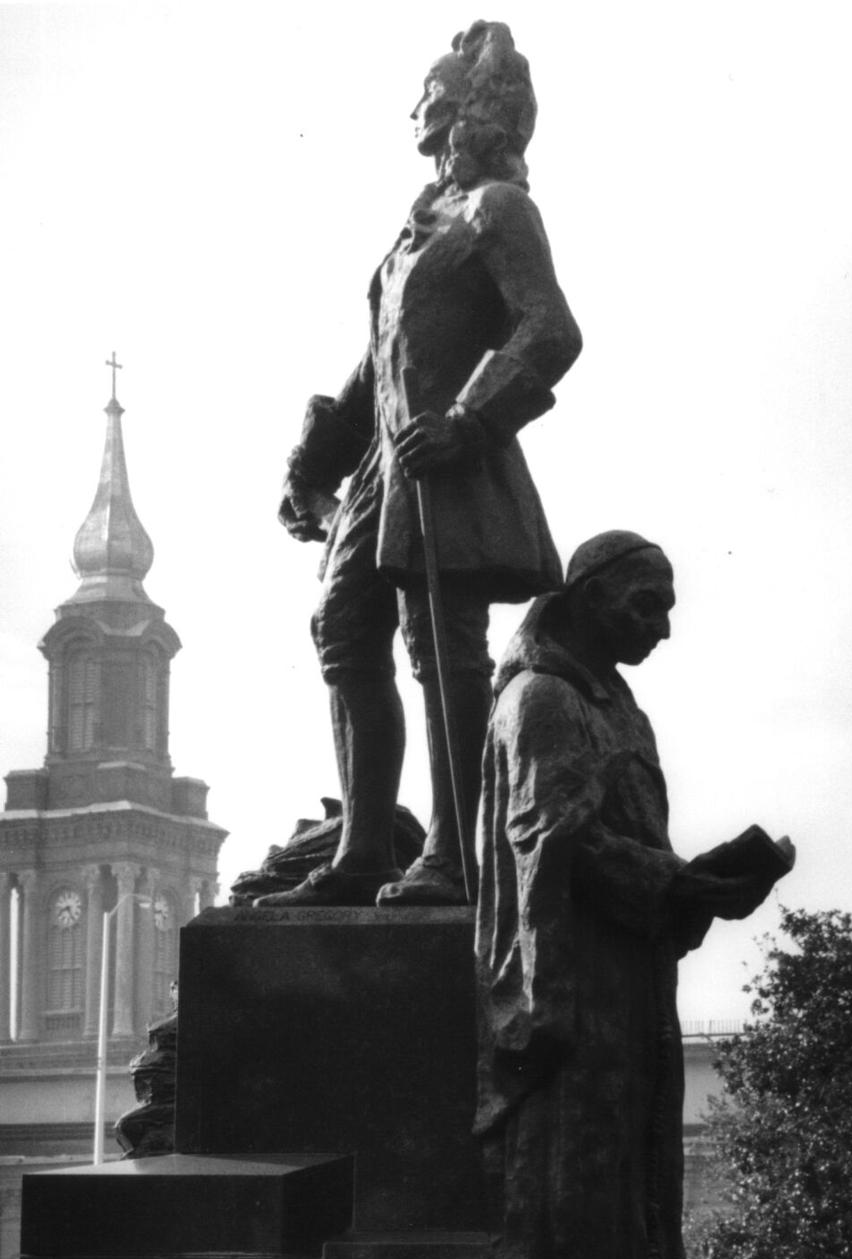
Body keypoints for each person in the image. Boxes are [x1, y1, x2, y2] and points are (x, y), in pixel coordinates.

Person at [265, 21, 581, 908]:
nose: (415, 105)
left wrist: (470, 421)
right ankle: (363, 851)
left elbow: (551, 329)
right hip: (383, 466)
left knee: (440, 648)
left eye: (430, 91)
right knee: (341, 629)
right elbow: (379, 364)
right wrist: (315, 458)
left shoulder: (498, 210)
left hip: (443, 459)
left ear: (469, 108)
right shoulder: (415, 231)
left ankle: (456, 853)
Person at [474, 530, 795, 1259]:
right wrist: (675, 883)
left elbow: (621, 836)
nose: (661, 628)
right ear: (588, 596)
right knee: (584, 1129)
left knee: (630, 1134)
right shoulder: (542, 697)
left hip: (628, 961)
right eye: (645, 605)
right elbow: (552, 841)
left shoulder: (614, 706)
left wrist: (699, 883)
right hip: (571, 964)